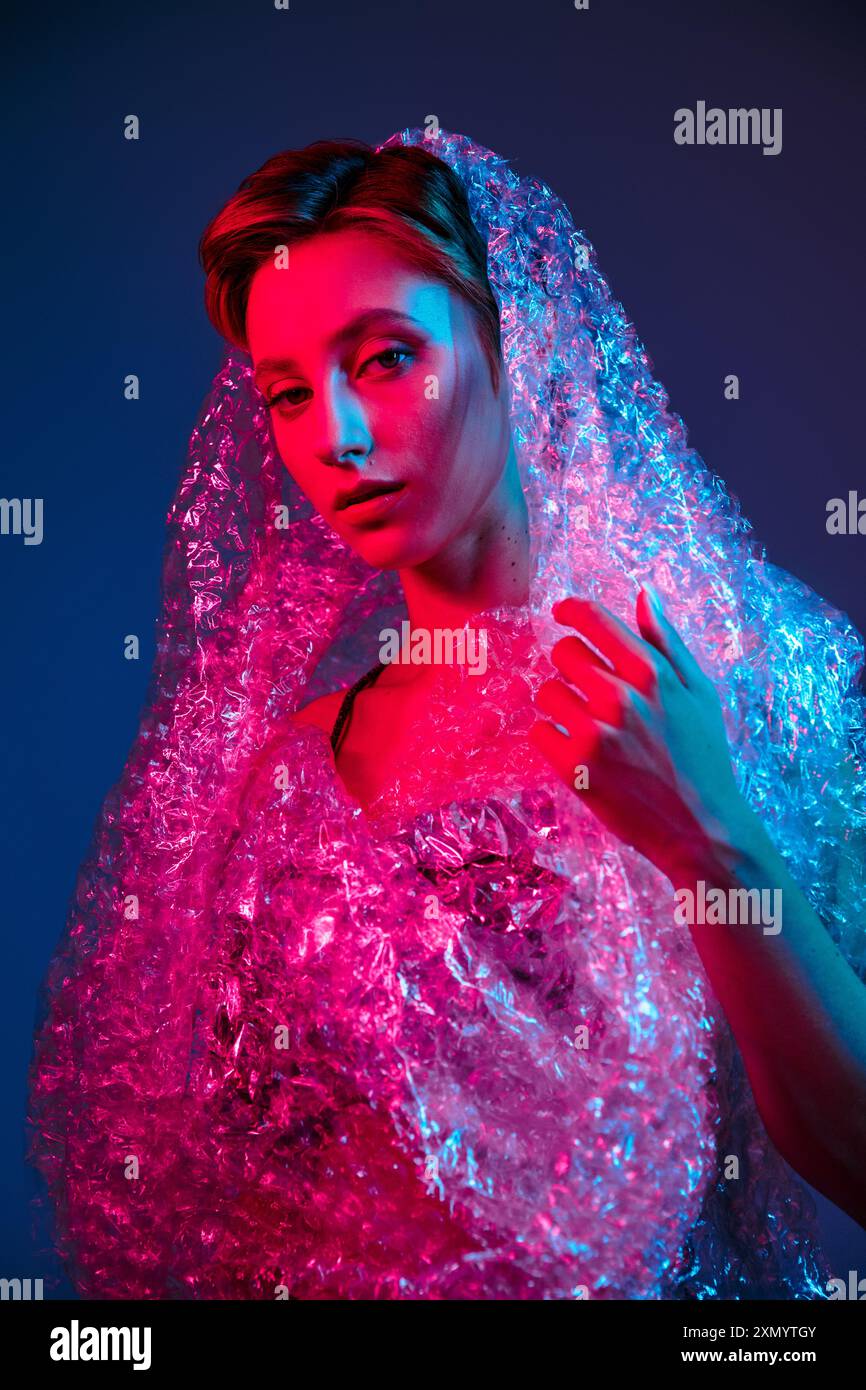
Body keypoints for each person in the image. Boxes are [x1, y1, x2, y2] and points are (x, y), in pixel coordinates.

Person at [27, 127, 866, 1300]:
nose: (337, 438)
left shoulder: (715, 682)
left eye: (381, 358)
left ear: (512, 338)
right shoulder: (290, 774)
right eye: (286, 393)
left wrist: (706, 831)